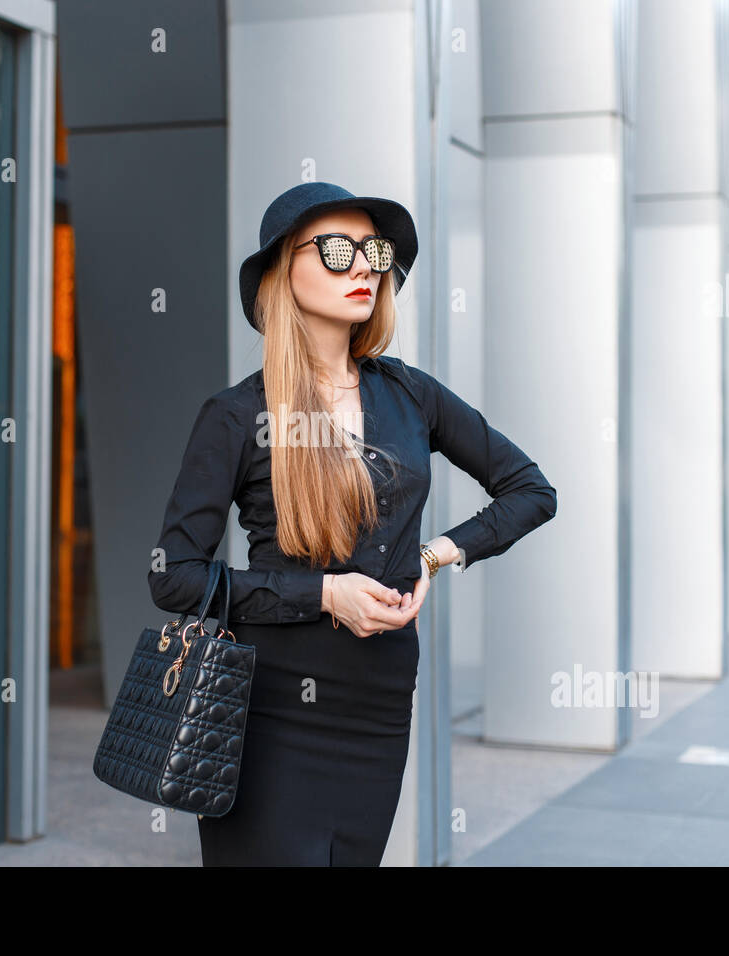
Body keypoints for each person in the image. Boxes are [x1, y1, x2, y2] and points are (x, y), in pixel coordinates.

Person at [147, 181, 557, 866]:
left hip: (379, 703)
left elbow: (530, 489)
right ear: (284, 268)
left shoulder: (411, 395)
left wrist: (435, 555)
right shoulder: (235, 415)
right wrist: (323, 594)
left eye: (375, 251)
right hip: (268, 710)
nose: (365, 265)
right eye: (338, 250)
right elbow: (173, 577)